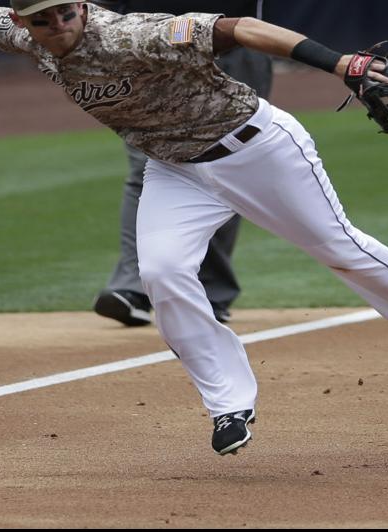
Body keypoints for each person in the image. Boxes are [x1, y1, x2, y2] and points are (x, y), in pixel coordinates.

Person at [0, 0, 388, 456]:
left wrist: (336, 62)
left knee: (337, 247)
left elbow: (239, 28)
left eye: (68, 13)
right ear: (24, 24)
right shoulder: (21, 33)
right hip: (174, 169)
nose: (61, 26)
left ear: (82, 8)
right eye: (46, 20)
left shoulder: (133, 36)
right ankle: (229, 403)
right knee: (160, 272)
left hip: (257, 150)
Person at [93, 1, 273, 327]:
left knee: (223, 166)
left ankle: (208, 290)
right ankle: (134, 286)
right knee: (145, 170)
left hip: (228, 42)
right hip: (141, 47)